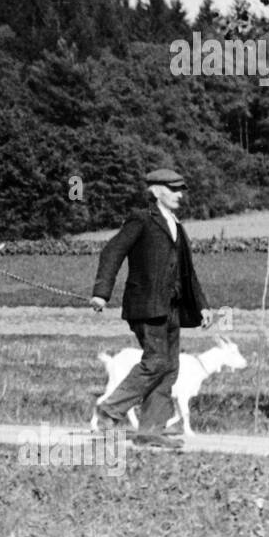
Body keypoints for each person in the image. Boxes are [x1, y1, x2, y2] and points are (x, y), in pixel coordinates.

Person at [89, 168, 214, 449]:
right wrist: (101, 293)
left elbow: (187, 272)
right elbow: (112, 251)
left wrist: (202, 306)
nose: (180, 195)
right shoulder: (142, 220)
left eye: (181, 189)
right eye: (174, 189)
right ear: (156, 191)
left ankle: (150, 430)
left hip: (172, 308)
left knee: (170, 367)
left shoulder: (177, 226)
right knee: (156, 361)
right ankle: (110, 410)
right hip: (146, 305)